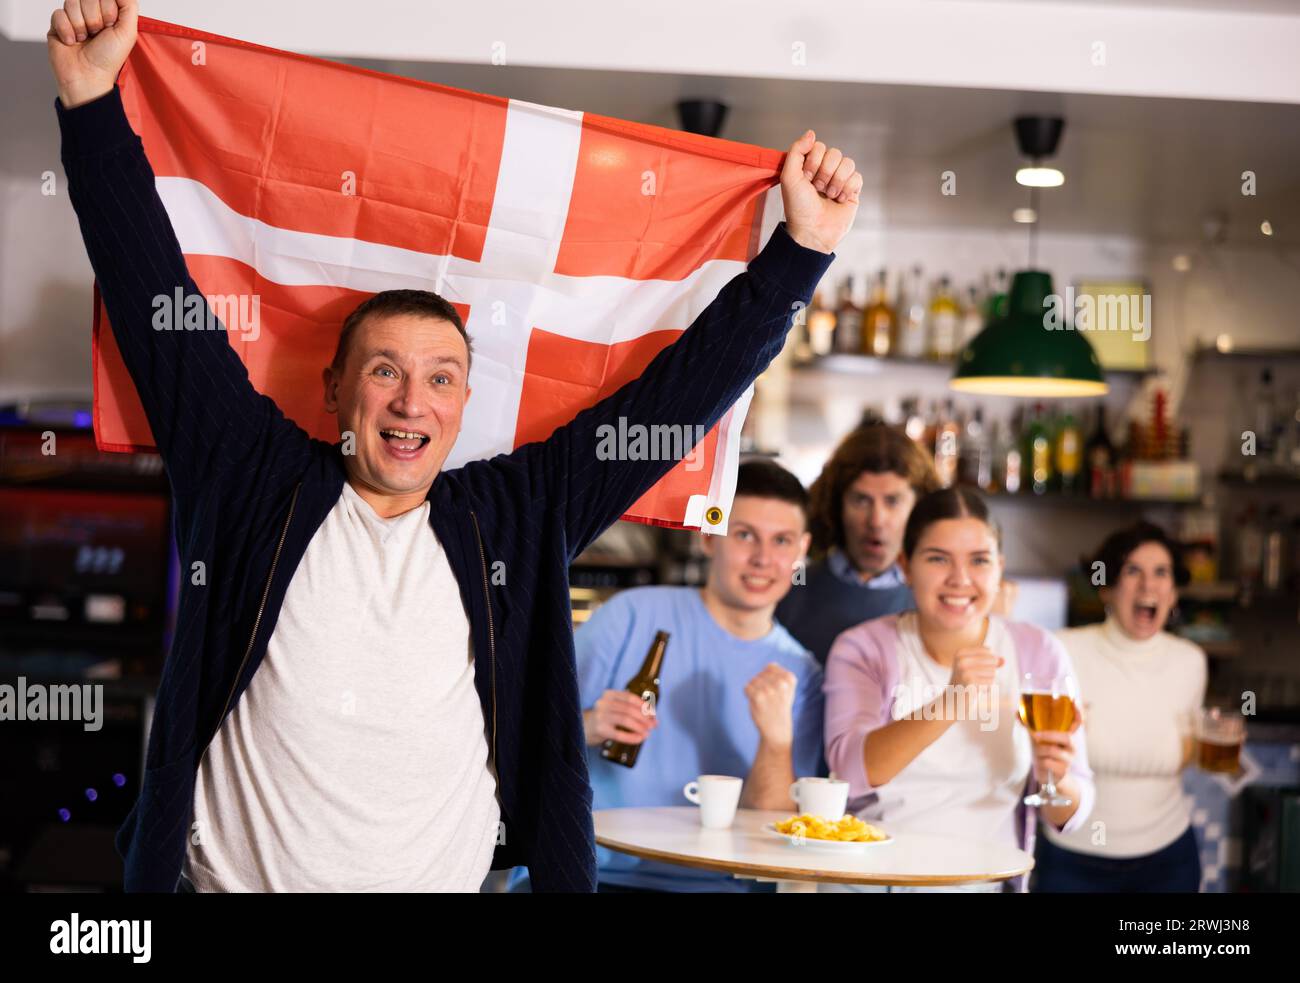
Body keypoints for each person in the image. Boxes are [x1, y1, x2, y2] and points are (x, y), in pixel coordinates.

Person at [48, 0, 861, 891]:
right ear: (335, 390)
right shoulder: (249, 477)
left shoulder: (515, 516)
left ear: (465, 402)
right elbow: (152, 295)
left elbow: (683, 392)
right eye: (384, 371)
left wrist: (802, 252)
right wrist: (91, 105)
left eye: (440, 378)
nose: (410, 402)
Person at [510, 459, 823, 892]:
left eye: (782, 541)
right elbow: (512, 738)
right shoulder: (631, 615)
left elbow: (771, 838)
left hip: (714, 888)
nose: (763, 559)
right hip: (589, 874)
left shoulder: (801, 673)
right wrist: (586, 726)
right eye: (745, 534)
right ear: (708, 536)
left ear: (802, 549)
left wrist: (776, 741)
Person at [822, 487, 1094, 892]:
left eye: (979, 561)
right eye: (937, 558)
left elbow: (1067, 814)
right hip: (870, 883)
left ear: (999, 568)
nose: (960, 579)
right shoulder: (862, 648)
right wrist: (951, 701)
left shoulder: (1038, 651)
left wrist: (1055, 779)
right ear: (905, 566)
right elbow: (852, 769)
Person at [1034, 522, 1207, 893]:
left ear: (1174, 593)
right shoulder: (1063, 651)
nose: (1148, 585)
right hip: (1071, 861)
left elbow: (1194, 750)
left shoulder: (1191, 662)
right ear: (1107, 589)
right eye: (1133, 571)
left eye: (1161, 573)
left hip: (1168, 861)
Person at [776, 423, 940, 666]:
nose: (876, 521)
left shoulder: (939, 599)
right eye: (861, 500)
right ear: (836, 504)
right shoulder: (789, 588)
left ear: (919, 508)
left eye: (893, 501)